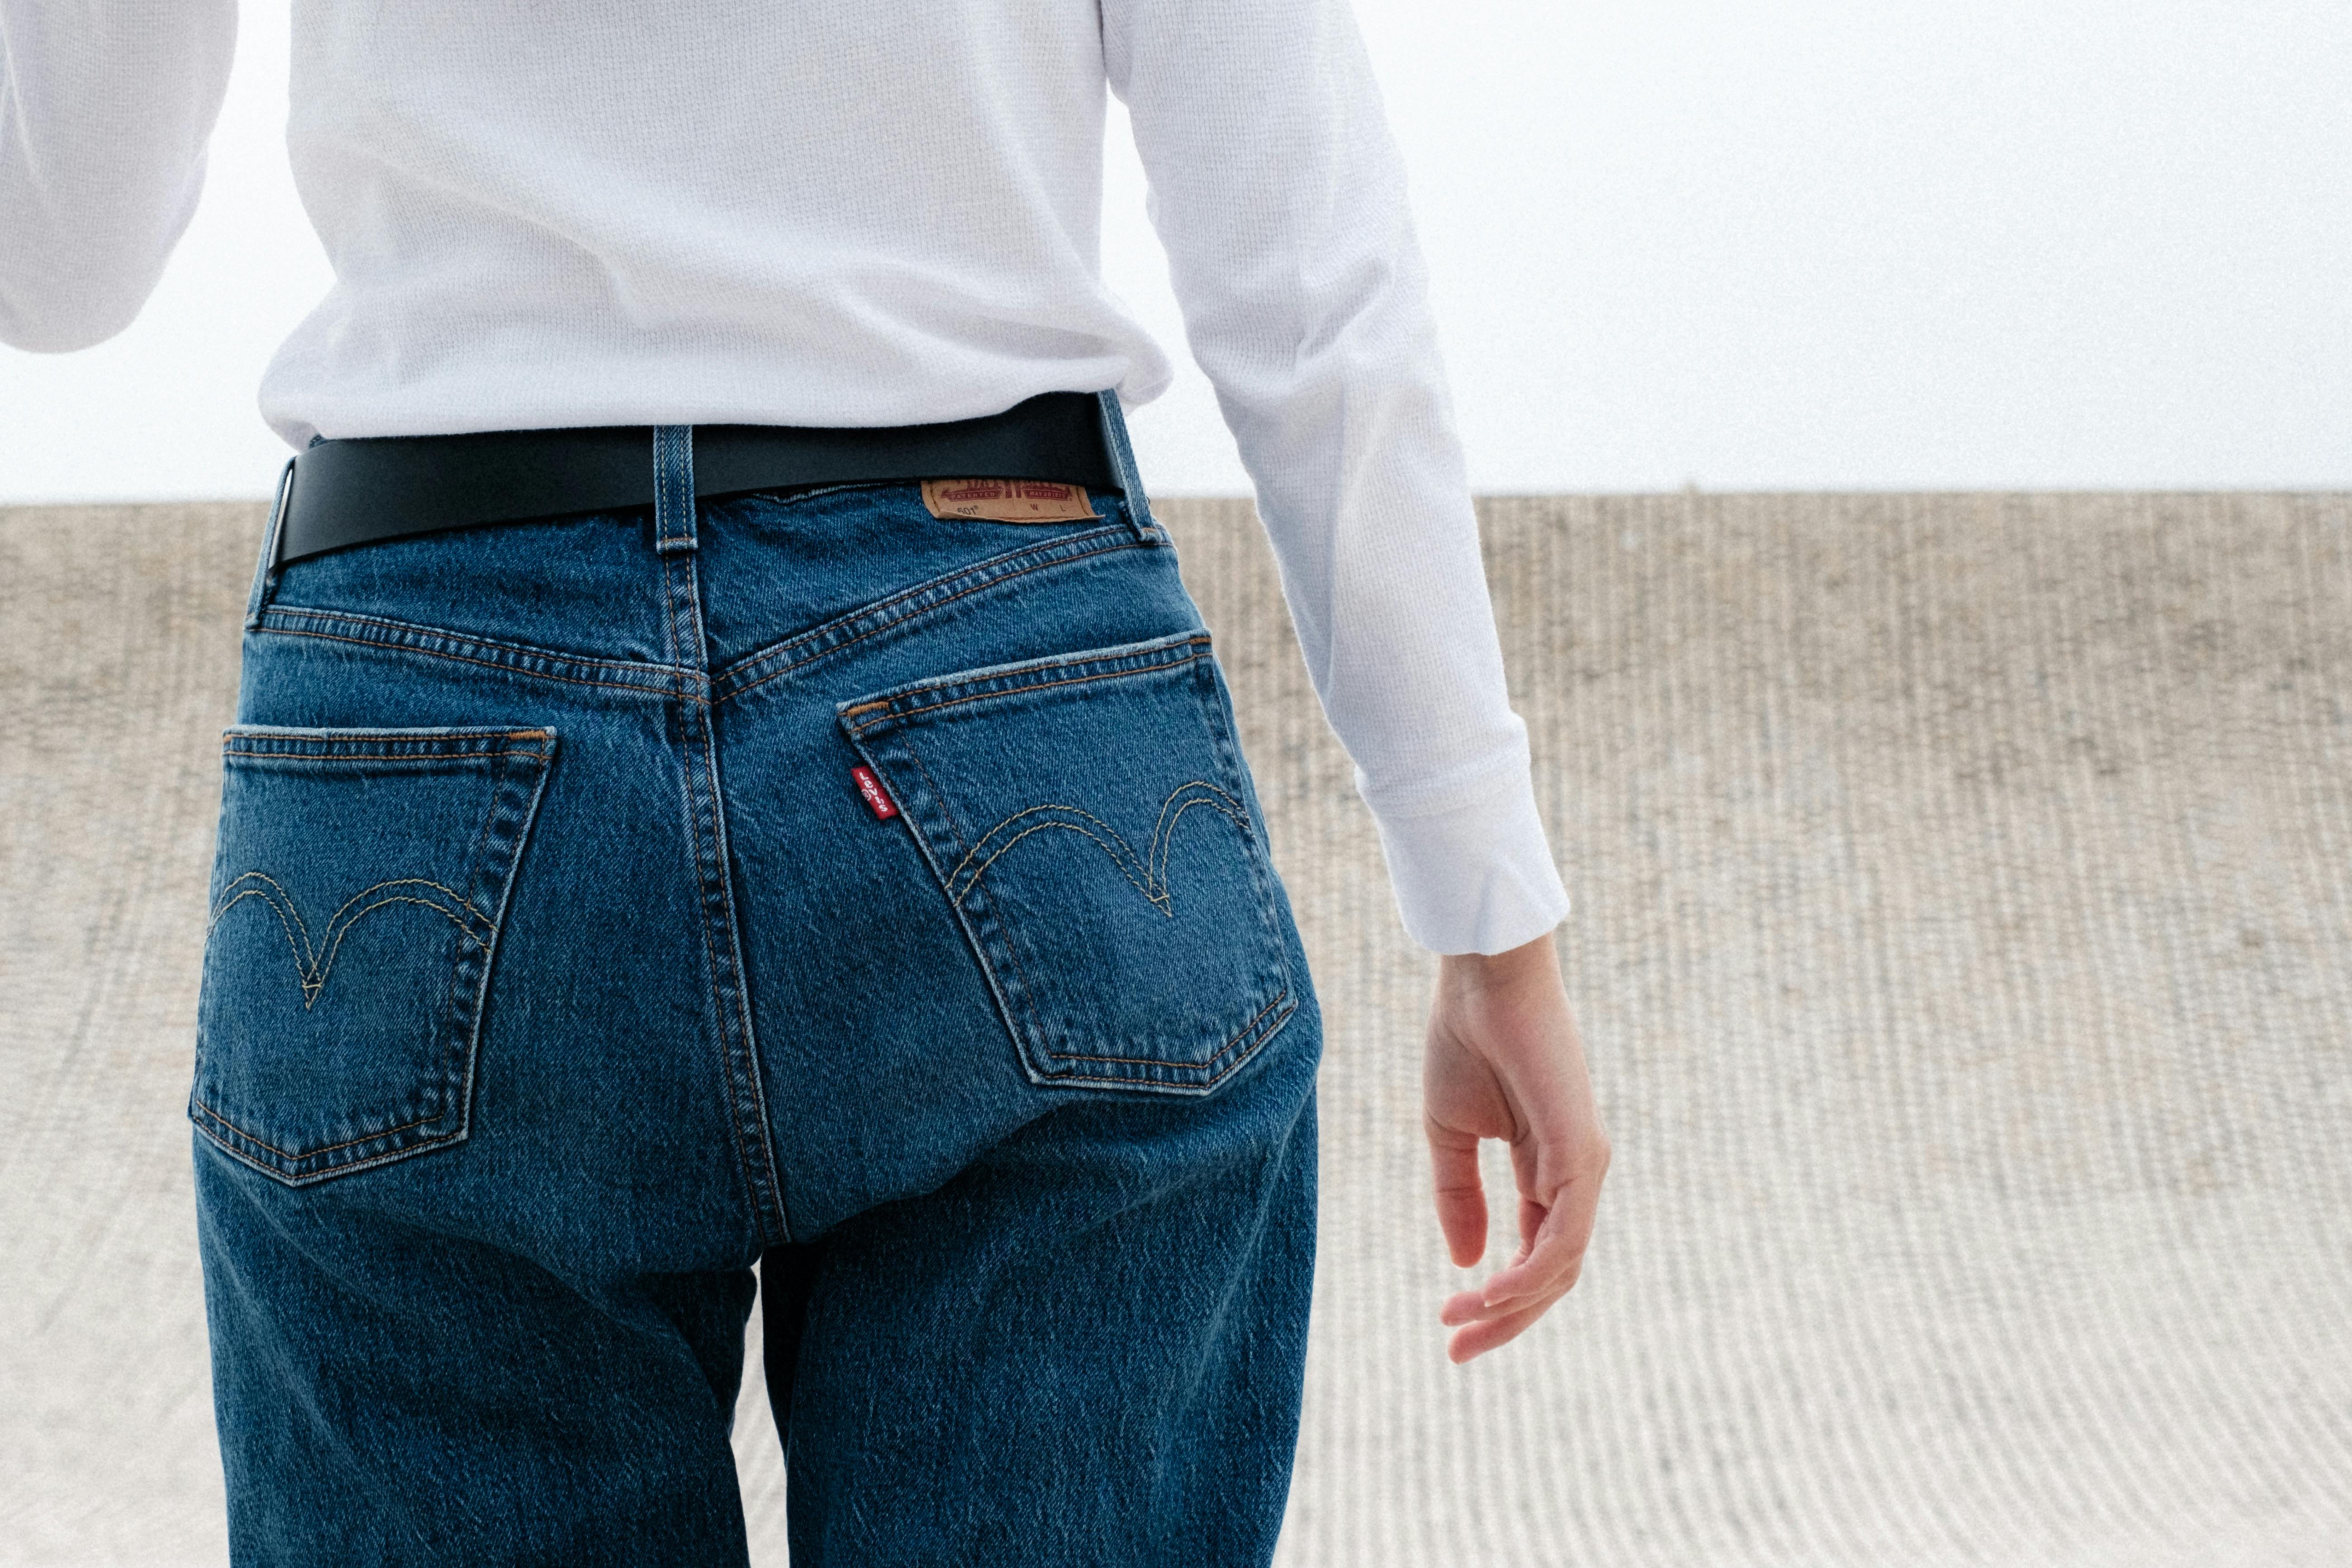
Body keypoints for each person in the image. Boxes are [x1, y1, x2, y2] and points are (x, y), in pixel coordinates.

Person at [1, 0, 1610, 1562]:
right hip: (1009, 691)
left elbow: (58, 257)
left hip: (425, 716)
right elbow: (1314, 280)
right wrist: (1487, 907)